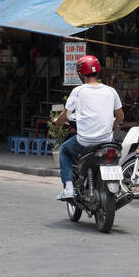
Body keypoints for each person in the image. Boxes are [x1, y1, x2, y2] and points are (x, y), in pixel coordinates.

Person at [54, 55, 123, 200]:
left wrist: (57, 121)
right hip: (106, 140)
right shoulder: (111, 91)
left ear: (81, 74)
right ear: (98, 72)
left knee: (64, 150)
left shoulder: (78, 91)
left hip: (84, 141)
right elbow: (120, 116)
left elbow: (65, 116)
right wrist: (113, 124)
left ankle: (68, 188)